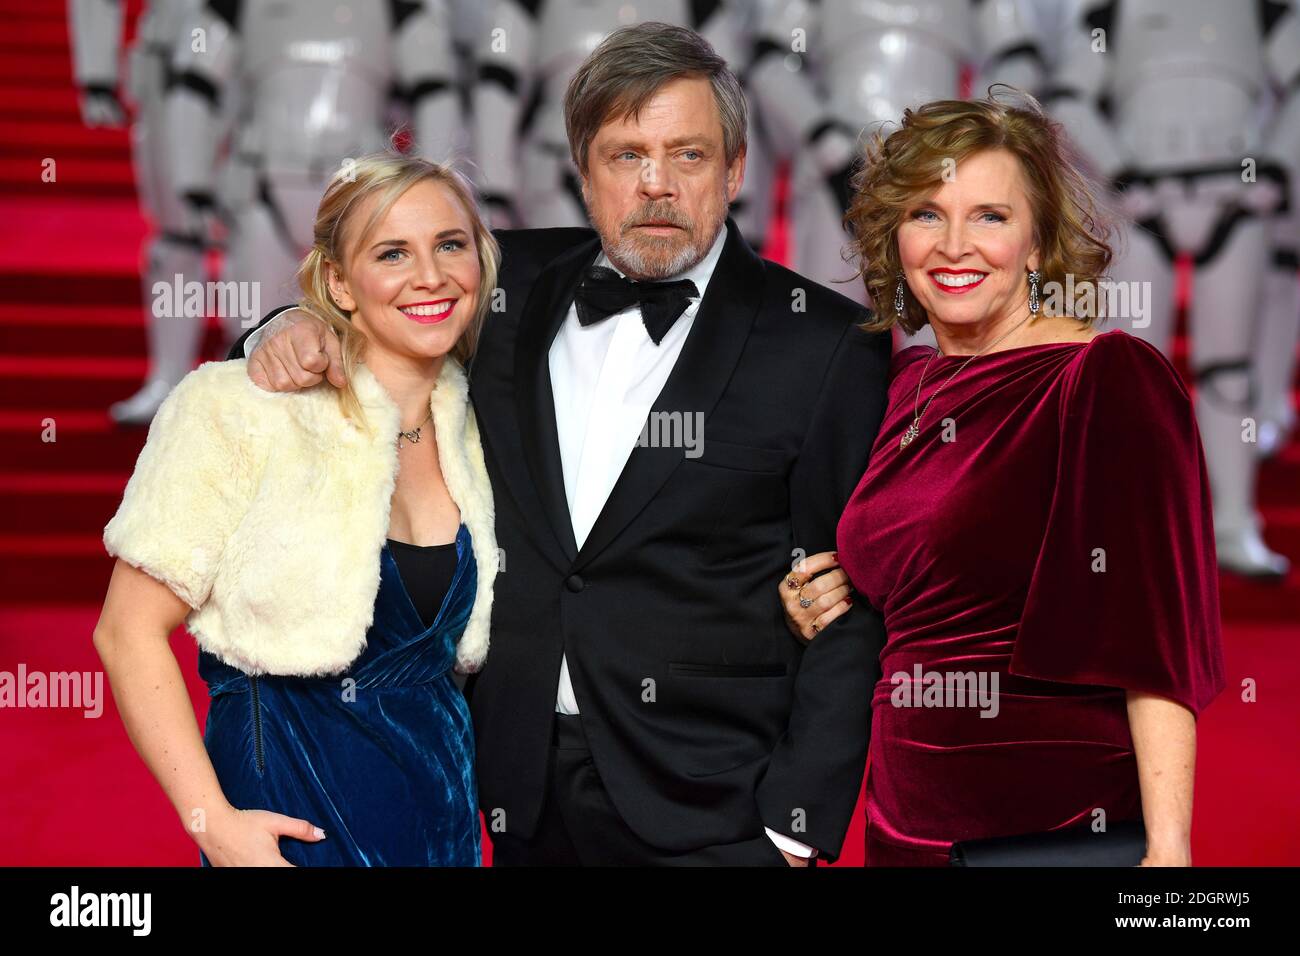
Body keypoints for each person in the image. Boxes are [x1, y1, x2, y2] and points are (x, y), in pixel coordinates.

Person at [231, 22, 892, 865]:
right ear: (582, 173)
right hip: (516, 787)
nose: (656, 186)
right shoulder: (503, 286)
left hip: (716, 805)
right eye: (625, 156)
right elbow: (378, 298)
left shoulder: (826, 344)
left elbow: (848, 601)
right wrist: (283, 328)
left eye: (687, 156)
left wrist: (793, 826)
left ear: (734, 170)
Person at [781, 93, 1227, 866]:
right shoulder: (904, 381)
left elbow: (1157, 646)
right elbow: (926, 581)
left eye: (990, 216)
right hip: (903, 822)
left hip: (1047, 826)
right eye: (927, 214)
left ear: (1036, 241)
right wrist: (828, 594)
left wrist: (1169, 855)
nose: (955, 247)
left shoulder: (1102, 379)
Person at [94, 154, 501, 866]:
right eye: (392, 253)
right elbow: (126, 634)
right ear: (340, 282)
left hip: (439, 821)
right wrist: (213, 825)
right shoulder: (236, 408)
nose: (430, 275)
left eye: (451, 244)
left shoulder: (477, 421)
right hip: (291, 811)